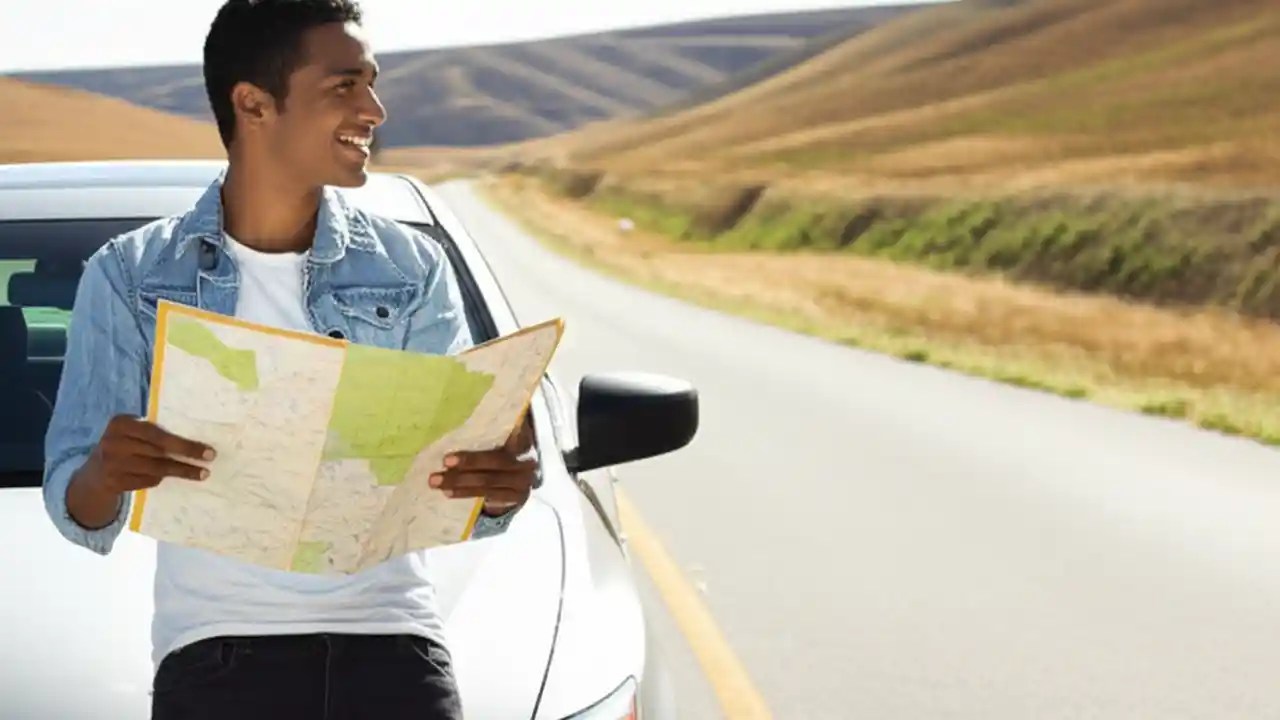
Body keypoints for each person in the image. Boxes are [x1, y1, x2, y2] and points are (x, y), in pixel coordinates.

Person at [40, 1, 537, 718]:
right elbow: (76, 505)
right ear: (254, 104)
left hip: (394, 647)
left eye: (372, 82)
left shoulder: (411, 267)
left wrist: (496, 484)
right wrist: (106, 472)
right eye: (345, 85)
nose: (375, 108)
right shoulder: (130, 275)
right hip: (217, 656)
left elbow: (458, 488)